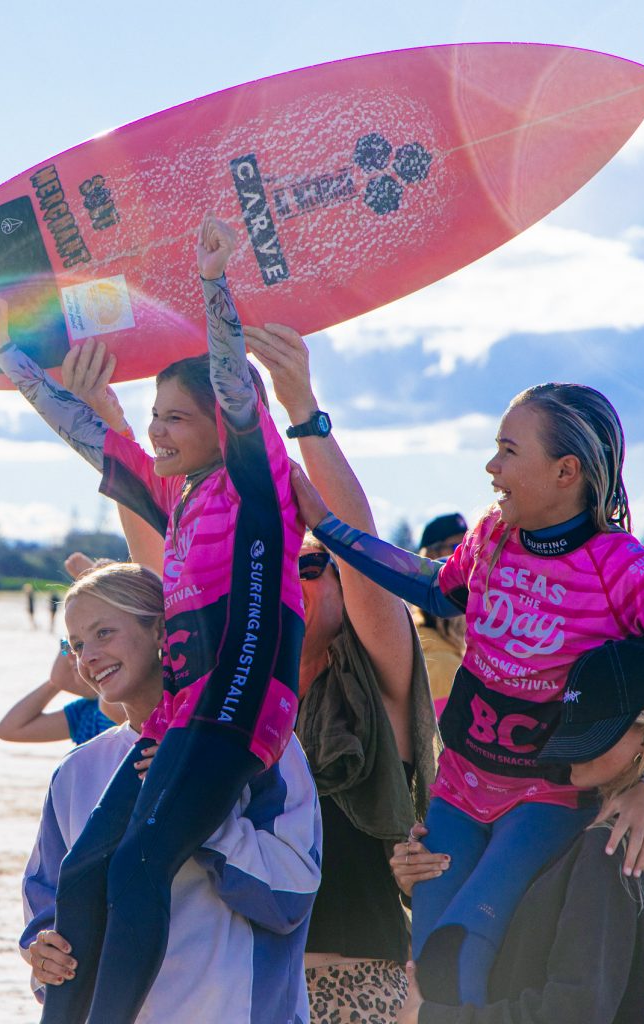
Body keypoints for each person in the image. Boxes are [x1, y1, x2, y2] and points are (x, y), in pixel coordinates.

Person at [295, 382, 644, 1005]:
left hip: (544, 798)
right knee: (430, 963)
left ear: (565, 471)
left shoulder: (630, 574)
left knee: (462, 955)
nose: (491, 468)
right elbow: (440, 591)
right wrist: (328, 529)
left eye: (508, 451)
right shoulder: (493, 537)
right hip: (460, 786)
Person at [0, 214, 304, 1022]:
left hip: (241, 708)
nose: (155, 430)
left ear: (221, 428)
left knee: (139, 866)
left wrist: (212, 287)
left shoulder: (258, 487)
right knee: (88, 873)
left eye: (175, 418)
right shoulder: (174, 496)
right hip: (185, 717)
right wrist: (6, 355)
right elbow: (87, 430)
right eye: (154, 415)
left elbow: (235, 388)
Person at [22, 562, 321, 1023]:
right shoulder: (78, 771)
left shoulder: (261, 744)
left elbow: (290, 895)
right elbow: (46, 902)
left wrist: (192, 808)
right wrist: (43, 952)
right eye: (77, 644)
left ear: (163, 630)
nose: (88, 657)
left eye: (104, 633)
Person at [243, 321, 437, 1022]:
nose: (305, 581)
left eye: (316, 567)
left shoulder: (375, 689)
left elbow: (364, 559)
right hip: (249, 979)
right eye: (290, 569)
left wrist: (303, 412)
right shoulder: (246, 694)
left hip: (357, 991)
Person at [392, 637, 644, 1024]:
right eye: (568, 723)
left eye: (594, 730)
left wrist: (429, 1018)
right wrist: (428, 878)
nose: (570, 747)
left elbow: (572, 1011)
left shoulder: (611, 849)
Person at [0, 649, 122, 744]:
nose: (71, 654)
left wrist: (58, 680)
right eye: (70, 646)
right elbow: (8, 730)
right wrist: (55, 683)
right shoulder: (86, 712)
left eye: (78, 646)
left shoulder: (122, 707)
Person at [414, 514, 468, 717]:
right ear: (430, 558)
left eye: (471, 546)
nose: (470, 557)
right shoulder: (442, 664)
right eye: (457, 548)